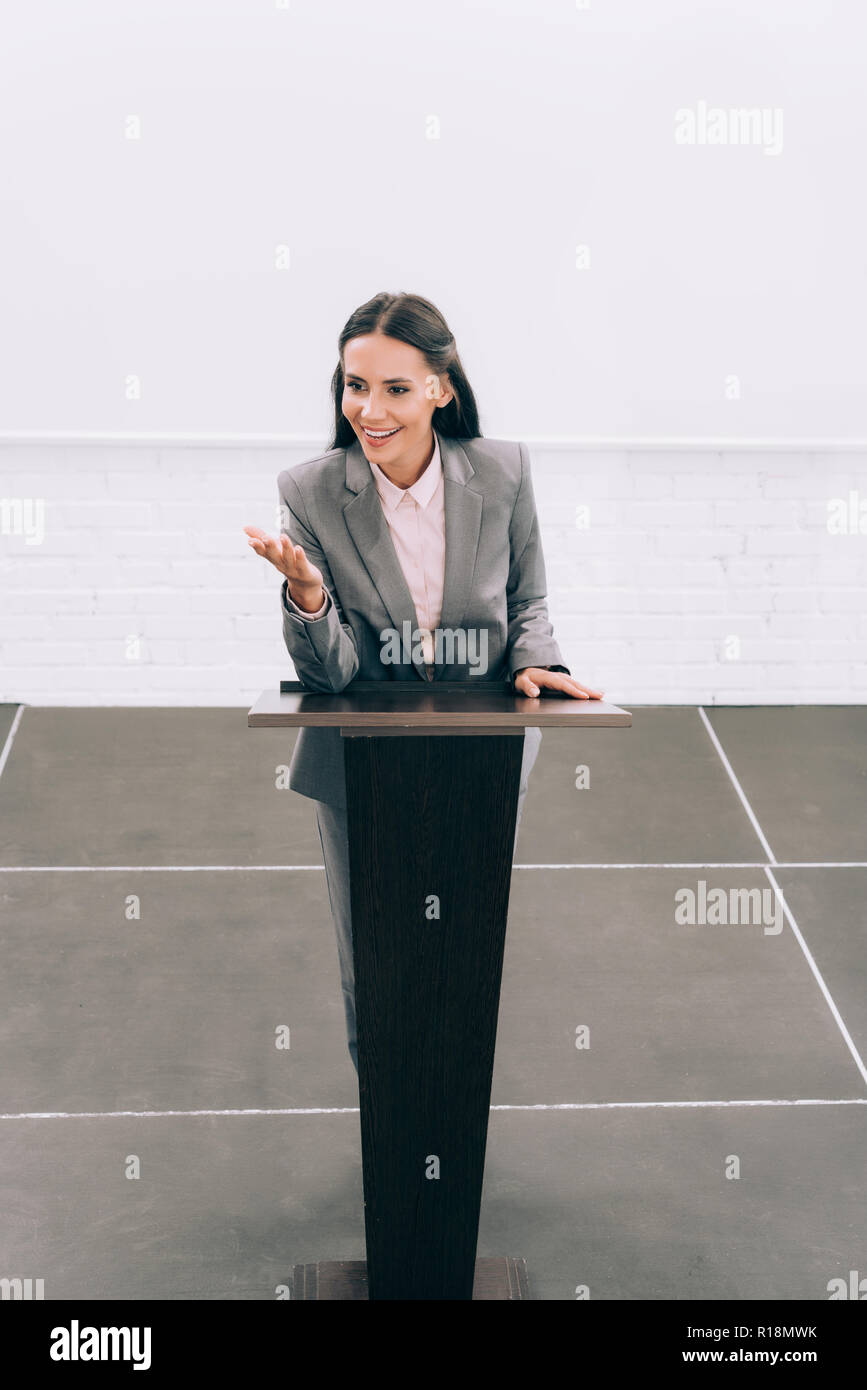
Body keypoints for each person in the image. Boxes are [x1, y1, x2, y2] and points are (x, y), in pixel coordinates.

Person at [245, 291, 604, 1074]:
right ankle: (390, 1119)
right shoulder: (309, 492)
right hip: (361, 768)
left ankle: (451, 1110)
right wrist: (307, 595)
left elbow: (527, 600)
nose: (369, 410)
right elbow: (330, 674)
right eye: (354, 385)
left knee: (461, 952)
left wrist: (536, 661)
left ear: (441, 386)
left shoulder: (503, 471)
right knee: (374, 958)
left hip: (482, 757)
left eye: (395, 389)